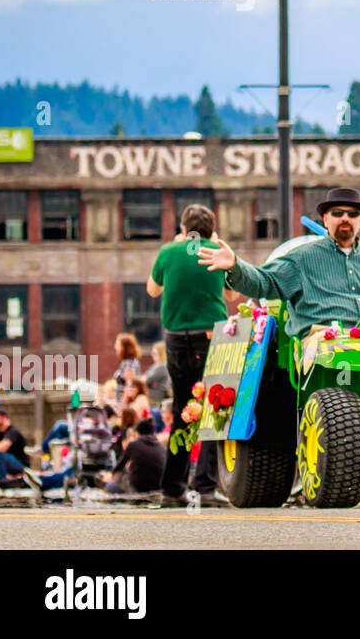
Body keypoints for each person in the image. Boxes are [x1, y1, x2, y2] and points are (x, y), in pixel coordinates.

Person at [198, 187, 360, 338]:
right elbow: (265, 282)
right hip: (321, 342)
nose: (345, 218)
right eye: (338, 213)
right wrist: (235, 265)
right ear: (325, 219)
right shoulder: (302, 258)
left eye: (353, 214)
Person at [148, 203, 229, 507]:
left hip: (176, 340)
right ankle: (206, 488)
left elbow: (152, 290)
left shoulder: (168, 252)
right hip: (210, 337)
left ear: (183, 229)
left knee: (183, 408)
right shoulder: (217, 250)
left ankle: (172, 489)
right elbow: (233, 294)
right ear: (212, 229)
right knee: (212, 407)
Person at [104, 418, 165, 496]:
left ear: (137, 433)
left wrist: (111, 474)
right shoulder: (162, 447)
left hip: (137, 488)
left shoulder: (134, 445)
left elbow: (120, 465)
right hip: (157, 487)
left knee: (116, 479)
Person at [0, 408, 32, 485]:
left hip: (21, 466)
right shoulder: (1, 434)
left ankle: (2, 481)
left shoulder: (13, 431)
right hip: (11, 464)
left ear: (4, 417)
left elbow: (2, 448)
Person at [111, 333, 142, 405]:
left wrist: (123, 404)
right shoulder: (127, 362)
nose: (115, 347)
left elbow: (130, 386)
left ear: (125, 347)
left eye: (118, 344)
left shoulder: (129, 363)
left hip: (126, 404)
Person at [144, 341, 170, 408]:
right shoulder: (155, 366)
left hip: (156, 401)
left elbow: (146, 380)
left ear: (161, 354)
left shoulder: (162, 366)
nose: (152, 356)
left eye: (155, 354)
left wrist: (148, 383)